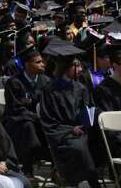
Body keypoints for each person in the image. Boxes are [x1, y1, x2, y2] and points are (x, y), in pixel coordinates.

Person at [36, 42, 101, 188]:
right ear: (66, 68)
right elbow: (48, 122)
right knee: (79, 147)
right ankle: (90, 181)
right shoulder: (49, 91)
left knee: (103, 142)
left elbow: (89, 108)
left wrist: (92, 118)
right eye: (75, 66)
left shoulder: (80, 88)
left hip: (83, 131)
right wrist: (71, 130)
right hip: (64, 136)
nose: (80, 69)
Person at [2, 45, 46, 176]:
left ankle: (58, 171)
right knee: (28, 127)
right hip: (17, 122)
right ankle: (28, 169)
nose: (42, 64)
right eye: (38, 62)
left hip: (40, 120)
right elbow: (16, 109)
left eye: (42, 61)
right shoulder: (14, 82)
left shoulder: (45, 81)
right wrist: (37, 118)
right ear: (27, 64)